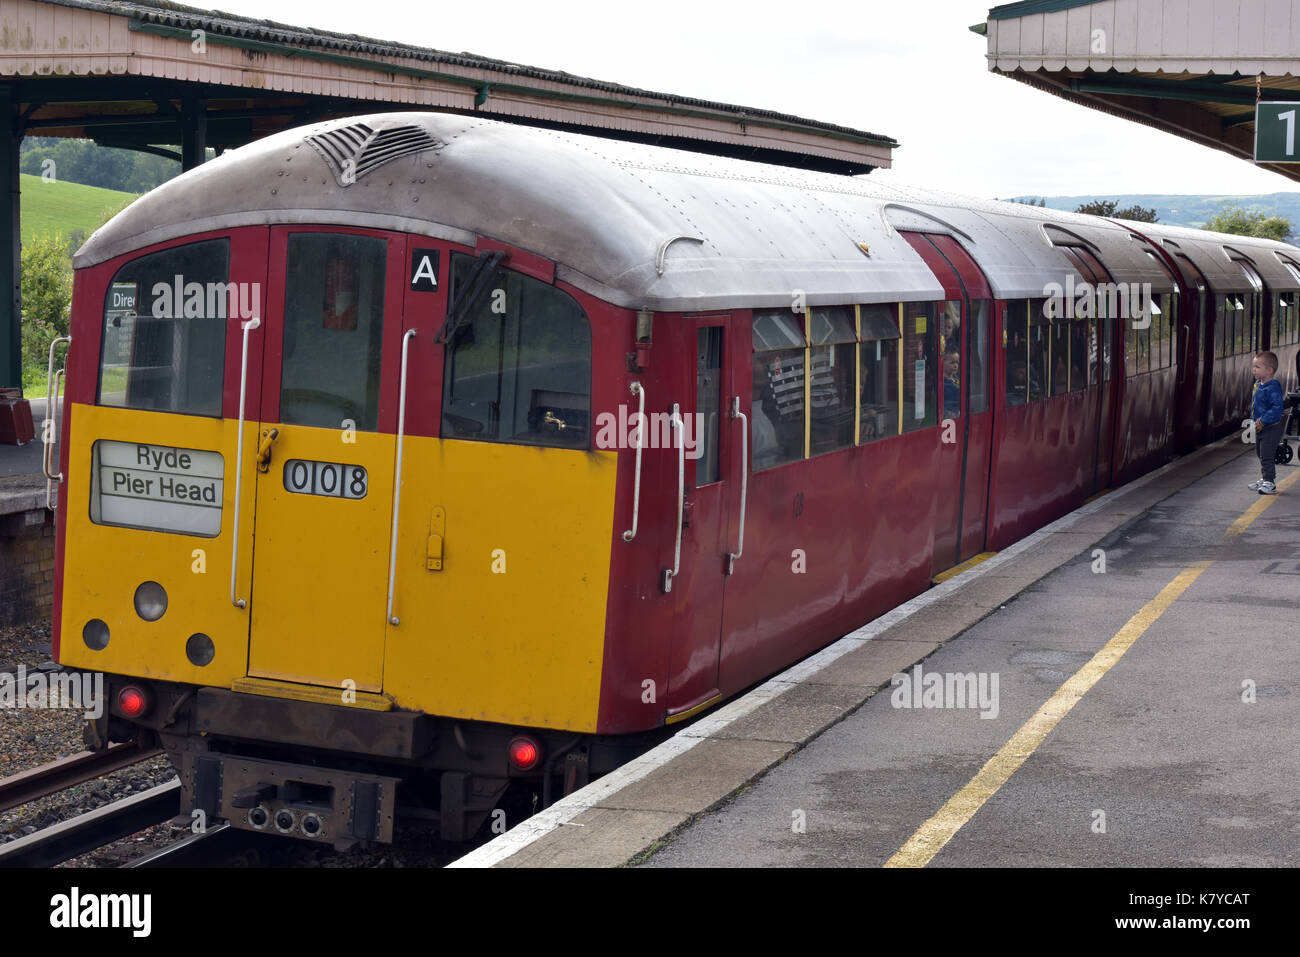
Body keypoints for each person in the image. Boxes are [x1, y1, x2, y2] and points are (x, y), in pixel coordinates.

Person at [1249, 350, 1285, 494]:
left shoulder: (1273, 387)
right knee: (1260, 453)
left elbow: (1277, 408)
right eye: (1254, 367)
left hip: (1271, 428)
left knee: (1267, 455)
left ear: (1269, 370)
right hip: (1261, 427)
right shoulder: (1259, 384)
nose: (1254, 370)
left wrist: (1263, 421)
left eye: (1257, 367)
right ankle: (1265, 478)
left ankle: (1270, 482)